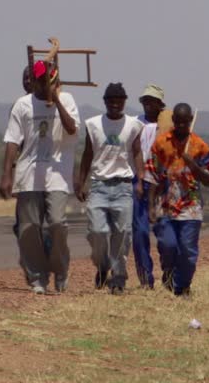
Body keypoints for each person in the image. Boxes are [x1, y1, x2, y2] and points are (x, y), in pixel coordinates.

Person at [0, 59, 80, 294]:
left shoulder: (67, 100)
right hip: (29, 173)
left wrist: (56, 100)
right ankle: (38, 277)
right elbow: (13, 140)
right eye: (40, 84)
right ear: (33, 83)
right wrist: (6, 175)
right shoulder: (22, 105)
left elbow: (72, 128)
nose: (43, 88)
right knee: (29, 227)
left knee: (57, 222)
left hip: (58, 175)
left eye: (48, 83)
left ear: (54, 81)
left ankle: (61, 269)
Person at [75, 83, 144, 294]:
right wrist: (81, 181)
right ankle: (102, 264)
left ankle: (118, 278)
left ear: (124, 102)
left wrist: (140, 179)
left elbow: (137, 152)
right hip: (99, 185)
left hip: (123, 186)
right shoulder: (93, 124)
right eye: (111, 101)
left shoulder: (133, 124)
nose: (115, 104)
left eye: (119, 101)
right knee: (98, 231)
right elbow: (87, 153)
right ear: (104, 102)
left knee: (122, 234)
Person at [145, 103, 209, 297]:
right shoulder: (161, 143)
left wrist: (192, 164)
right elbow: (152, 175)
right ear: (173, 121)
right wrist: (150, 205)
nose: (182, 125)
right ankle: (168, 272)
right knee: (167, 245)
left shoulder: (200, 146)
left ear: (191, 120)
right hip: (165, 206)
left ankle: (183, 287)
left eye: (186, 122)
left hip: (190, 208)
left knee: (188, 251)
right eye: (179, 121)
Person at [132, 84, 166, 289]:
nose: (148, 104)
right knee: (139, 232)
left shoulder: (168, 124)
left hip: (162, 180)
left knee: (164, 232)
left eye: (152, 101)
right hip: (139, 178)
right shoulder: (135, 123)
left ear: (160, 104)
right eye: (145, 100)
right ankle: (145, 278)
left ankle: (169, 274)